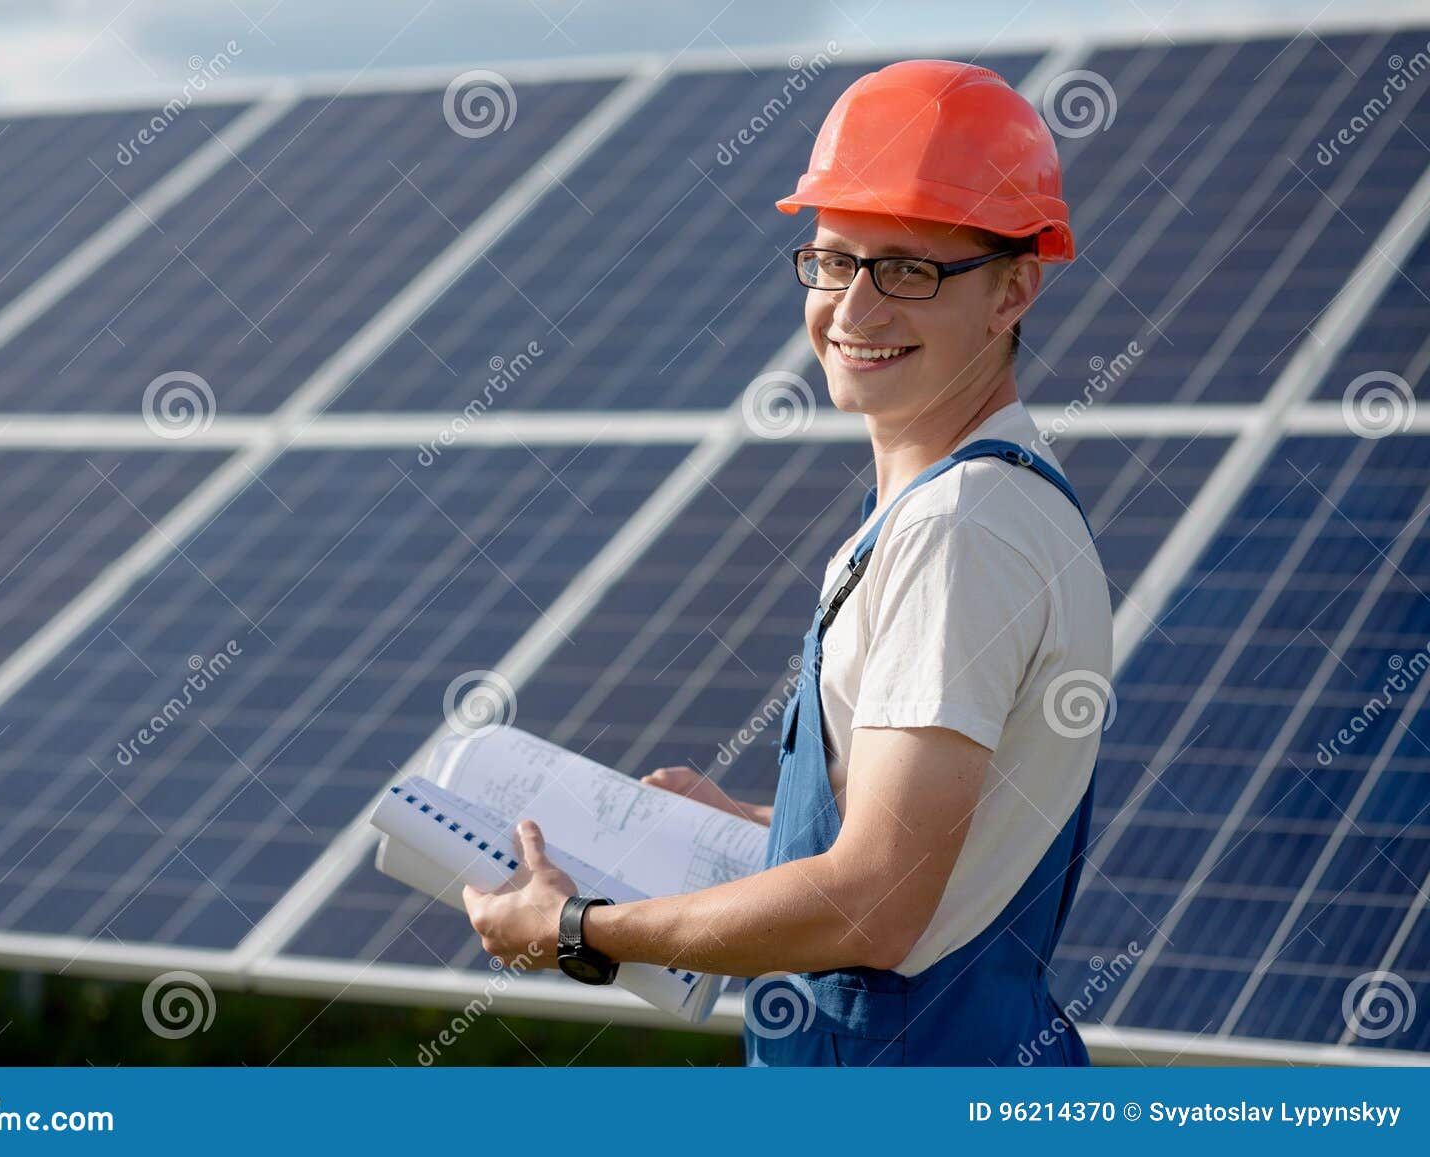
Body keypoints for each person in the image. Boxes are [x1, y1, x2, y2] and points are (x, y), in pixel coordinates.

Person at [463, 58, 1113, 1066]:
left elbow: (877, 908)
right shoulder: (960, 508)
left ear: (1013, 288)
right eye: (831, 258)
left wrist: (575, 929)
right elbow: (943, 842)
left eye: (907, 268)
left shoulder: (961, 529)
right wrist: (758, 828)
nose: (852, 310)